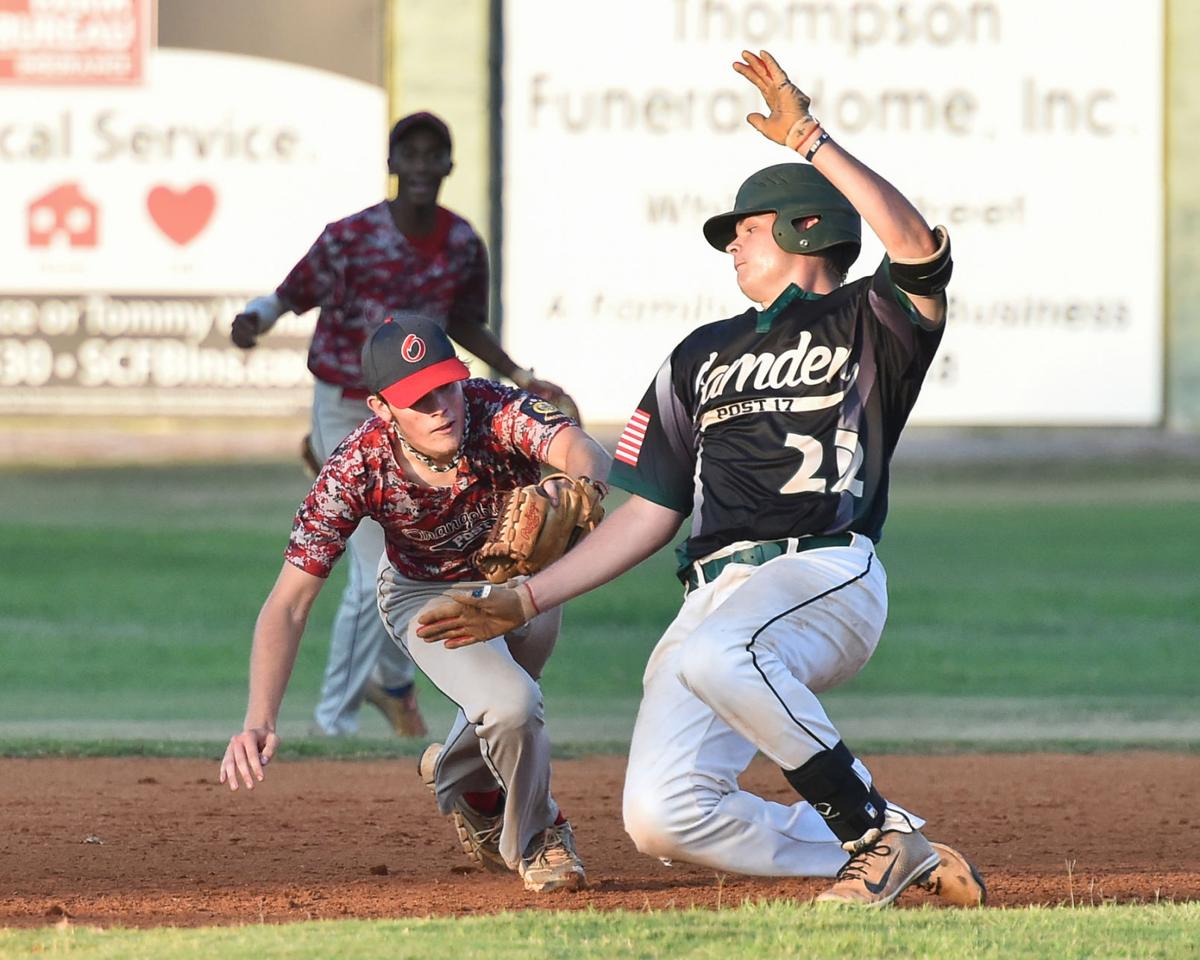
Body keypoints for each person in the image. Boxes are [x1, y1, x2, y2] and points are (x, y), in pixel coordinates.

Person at [415, 51, 985, 908]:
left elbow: (914, 246)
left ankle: (875, 840)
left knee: (728, 653)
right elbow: (649, 511)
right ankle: (896, 837)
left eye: (746, 228)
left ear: (803, 229)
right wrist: (525, 597)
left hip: (823, 569)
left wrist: (811, 138)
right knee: (664, 815)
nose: (731, 245)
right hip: (712, 595)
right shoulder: (697, 355)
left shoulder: (873, 321)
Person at [219, 313, 610, 894]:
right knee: (512, 704)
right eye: (417, 398)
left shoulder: (491, 407)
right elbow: (289, 603)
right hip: (425, 594)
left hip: (525, 585)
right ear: (381, 408)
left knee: (503, 713)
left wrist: (578, 488)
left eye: (445, 385)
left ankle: (459, 774)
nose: (441, 407)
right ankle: (538, 837)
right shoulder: (356, 466)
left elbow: (585, 448)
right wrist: (258, 719)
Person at [230, 111, 570, 737]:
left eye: (432, 154)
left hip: (435, 412)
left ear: (448, 166)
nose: (419, 165)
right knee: (367, 566)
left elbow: (466, 323)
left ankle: (390, 680)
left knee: (430, 548)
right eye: (407, 153)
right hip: (347, 406)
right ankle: (335, 723)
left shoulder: (463, 243)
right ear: (391, 164)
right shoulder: (351, 237)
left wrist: (517, 375)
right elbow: (288, 293)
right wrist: (256, 317)